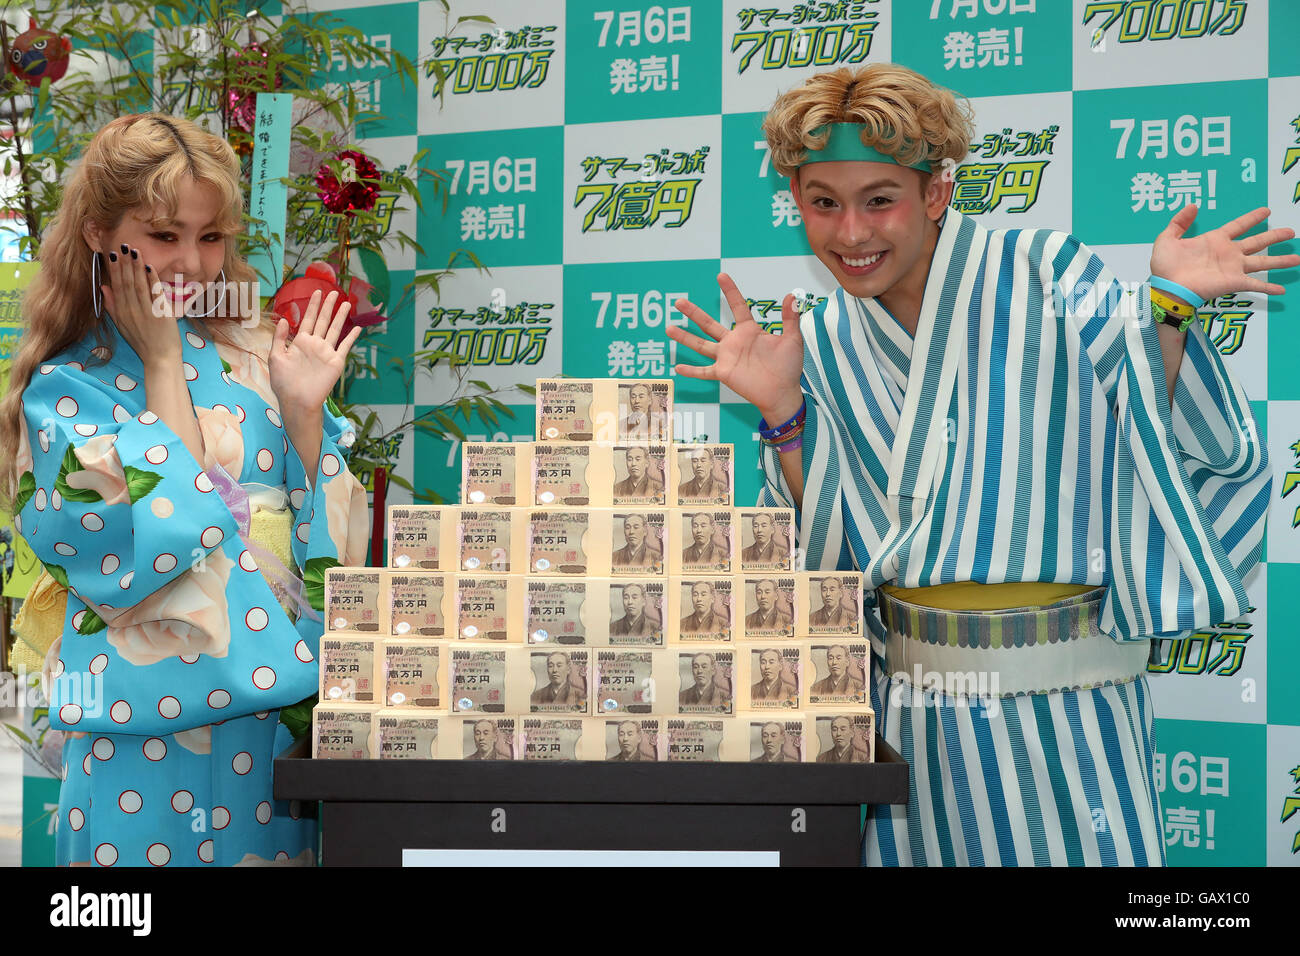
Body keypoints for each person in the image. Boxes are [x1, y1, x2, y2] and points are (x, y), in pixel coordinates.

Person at [667, 64, 1285, 866]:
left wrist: (1167, 310)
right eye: (824, 202)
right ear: (796, 200)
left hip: (1074, 700)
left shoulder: (1047, 271)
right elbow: (825, 569)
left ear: (935, 193)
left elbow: (1148, 423)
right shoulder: (812, 345)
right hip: (912, 710)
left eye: (879, 199)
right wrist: (784, 415)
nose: (851, 233)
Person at [0, 113, 370, 867]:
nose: (193, 264)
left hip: (270, 742)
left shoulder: (258, 358)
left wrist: (304, 417)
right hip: (139, 746)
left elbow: (342, 559)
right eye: (165, 236)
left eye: (211, 237)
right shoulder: (67, 388)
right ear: (102, 231)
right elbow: (153, 549)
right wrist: (165, 367)